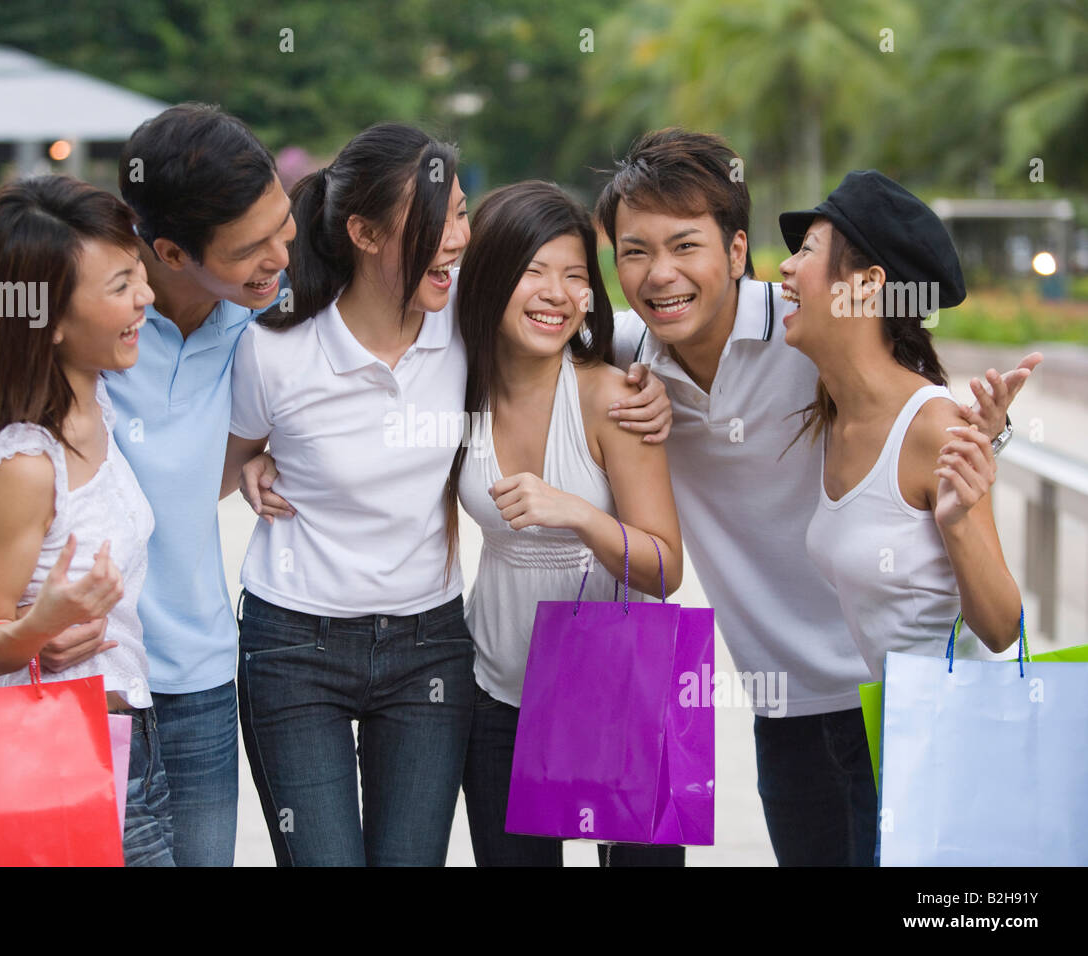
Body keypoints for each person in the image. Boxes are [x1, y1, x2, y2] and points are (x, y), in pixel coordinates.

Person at [224, 127, 672, 866]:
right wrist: (262, 458)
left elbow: (565, 308)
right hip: (311, 647)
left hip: (443, 651)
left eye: (463, 214)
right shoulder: (281, 348)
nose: (458, 238)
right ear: (363, 234)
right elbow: (236, 447)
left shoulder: (467, 316)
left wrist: (644, 367)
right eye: (439, 218)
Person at [598, 128, 1038, 866]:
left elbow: (904, 407)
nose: (659, 274)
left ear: (734, 253)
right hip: (786, 712)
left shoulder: (805, 339)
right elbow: (526, 325)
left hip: (898, 708)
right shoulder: (629, 354)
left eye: (685, 245)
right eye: (634, 252)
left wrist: (984, 441)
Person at [0, 104, 294, 866]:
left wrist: (257, 454)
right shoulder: (84, 315)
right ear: (171, 250)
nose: (281, 258)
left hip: (195, 679)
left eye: (282, 230)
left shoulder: (257, 318)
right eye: (251, 246)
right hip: (72, 688)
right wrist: (20, 623)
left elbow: (196, 477)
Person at [448, 180, 684, 867]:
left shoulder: (614, 399)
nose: (555, 293)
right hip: (495, 692)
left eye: (575, 276)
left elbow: (666, 569)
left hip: (617, 684)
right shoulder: (456, 388)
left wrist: (577, 513)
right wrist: (260, 457)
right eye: (532, 271)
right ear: (489, 276)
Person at [0, 175, 171, 865]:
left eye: (138, 275)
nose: (146, 298)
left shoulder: (100, 404)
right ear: (47, 319)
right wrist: (40, 625)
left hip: (133, 735)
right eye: (119, 286)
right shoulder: (26, 464)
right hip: (62, 759)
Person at [777, 170, 1022, 679]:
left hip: (951, 739)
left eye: (806, 250)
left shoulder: (933, 428)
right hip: (896, 733)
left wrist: (955, 523)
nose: (785, 266)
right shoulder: (834, 411)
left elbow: (1003, 629)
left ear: (867, 284)